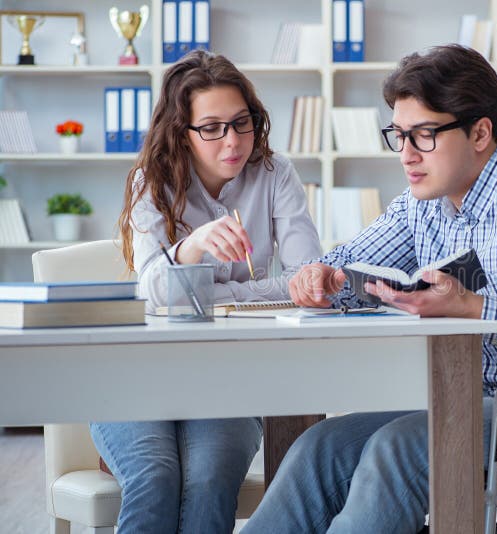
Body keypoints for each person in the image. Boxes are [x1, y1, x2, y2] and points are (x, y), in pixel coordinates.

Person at [240, 44, 497, 533]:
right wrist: (322, 277)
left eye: (423, 135)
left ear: (480, 132)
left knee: (398, 449)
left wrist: (472, 306)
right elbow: (351, 266)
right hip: (480, 395)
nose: (406, 154)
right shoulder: (424, 200)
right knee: (320, 448)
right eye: (399, 136)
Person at [92, 50, 322, 534]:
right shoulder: (151, 181)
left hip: (228, 378)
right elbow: (152, 293)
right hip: (137, 378)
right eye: (212, 128)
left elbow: (306, 281)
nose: (232, 141)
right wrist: (193, 246)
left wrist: (203, 292)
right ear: (183, 132)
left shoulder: (275, 173)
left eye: (241, 123)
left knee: (210, 482)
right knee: (155, 479)